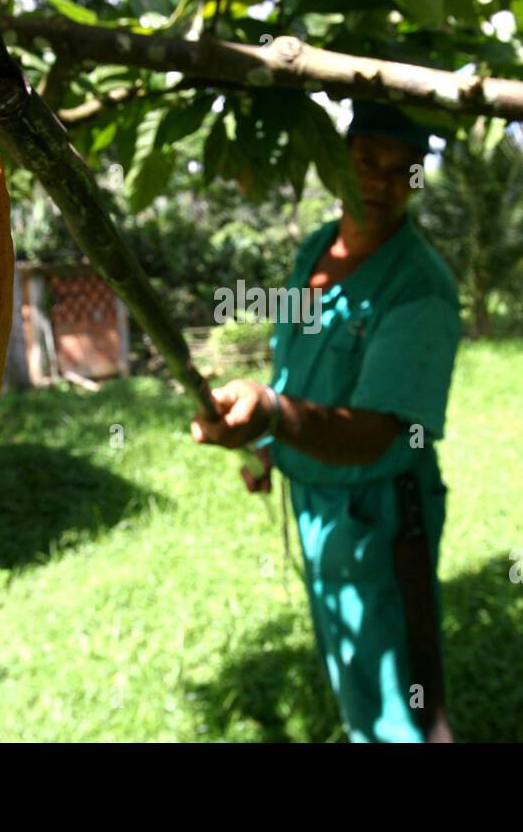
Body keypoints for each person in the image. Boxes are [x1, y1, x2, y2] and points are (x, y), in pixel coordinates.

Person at [190, 99, 461, 742]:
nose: (379, 180)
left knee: (403, 703)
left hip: (381, 516)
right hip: (317, 503)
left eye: (403, 168)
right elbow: (297, 368)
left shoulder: (419, 286)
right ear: (338, 160)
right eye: (366, 160)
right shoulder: (318, 246)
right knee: (354, 677)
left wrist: (274, 416)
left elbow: (375, 433)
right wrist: (265, 444)